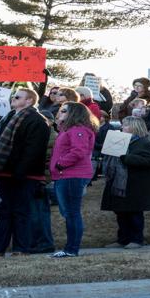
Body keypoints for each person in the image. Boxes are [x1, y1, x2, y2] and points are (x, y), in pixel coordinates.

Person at [0, 88, 52, 259]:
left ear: (29, 101)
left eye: (18, 96)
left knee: (21, 212)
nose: (13, 98)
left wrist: (20, 172)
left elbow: (33, 150)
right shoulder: (8, 117)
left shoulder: (37, 120)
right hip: (3, 172)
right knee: (4, 211)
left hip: (24, 175)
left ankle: (21, 248)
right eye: (13, 96)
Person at [99, 116, 150, 248]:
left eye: (125, 125)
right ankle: (123, 239)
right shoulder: (120, 140)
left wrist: (127, 158)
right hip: (119, 183)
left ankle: (137, 239)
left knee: (134, 213)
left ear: (135, 127)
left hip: (136, 184)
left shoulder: (145, 143)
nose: (122, 127)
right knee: (121, 212)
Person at [49, 101, 97, 257]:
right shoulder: (68, 129)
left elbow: (79, 151)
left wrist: (60, 164)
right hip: (65, 175)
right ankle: (70, 248)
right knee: (69, 213)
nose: (59, 112)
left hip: (72, 175)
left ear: (74, 113)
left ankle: (71, 249)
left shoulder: (78, 129)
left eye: (64, 110)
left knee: (72, 213)